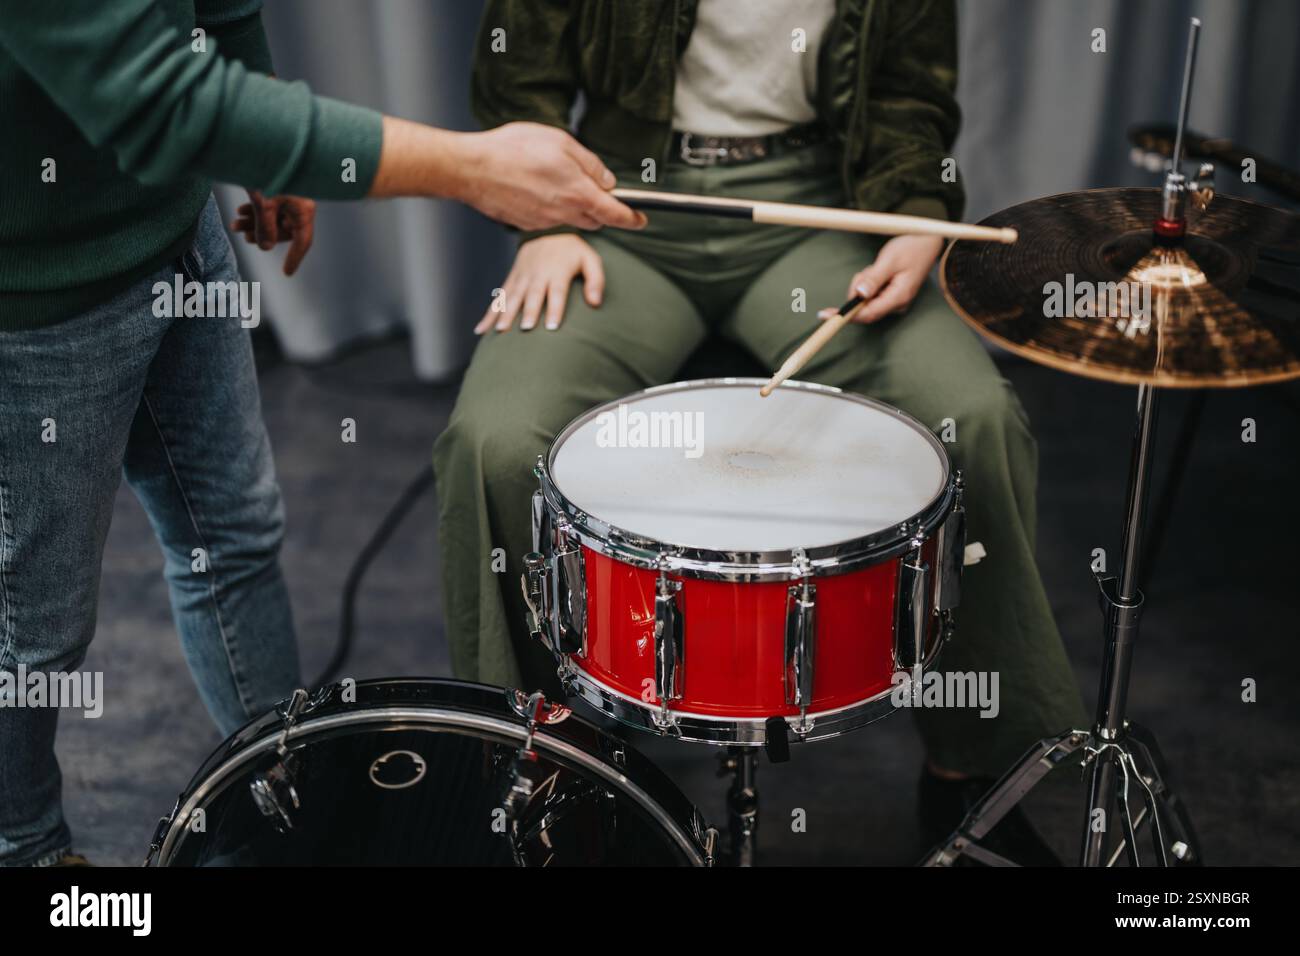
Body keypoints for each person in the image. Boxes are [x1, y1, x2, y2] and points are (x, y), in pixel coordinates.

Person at [435, 0, 1086, 861]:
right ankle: (548, 766)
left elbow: (909, 100)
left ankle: (972, 777)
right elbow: (521, 71)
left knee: (972, 417)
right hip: (621, 197)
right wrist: (547, 221)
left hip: (821, 203)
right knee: (495, 439)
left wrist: (914, 213)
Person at [0, 0, 643, 867]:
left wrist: (263, 125)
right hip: (39, 307)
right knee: (36, 631)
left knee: (235, 535)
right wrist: (467, 167)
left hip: (176, 233)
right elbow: (152, 102)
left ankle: (286, 813)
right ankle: (30, 851)